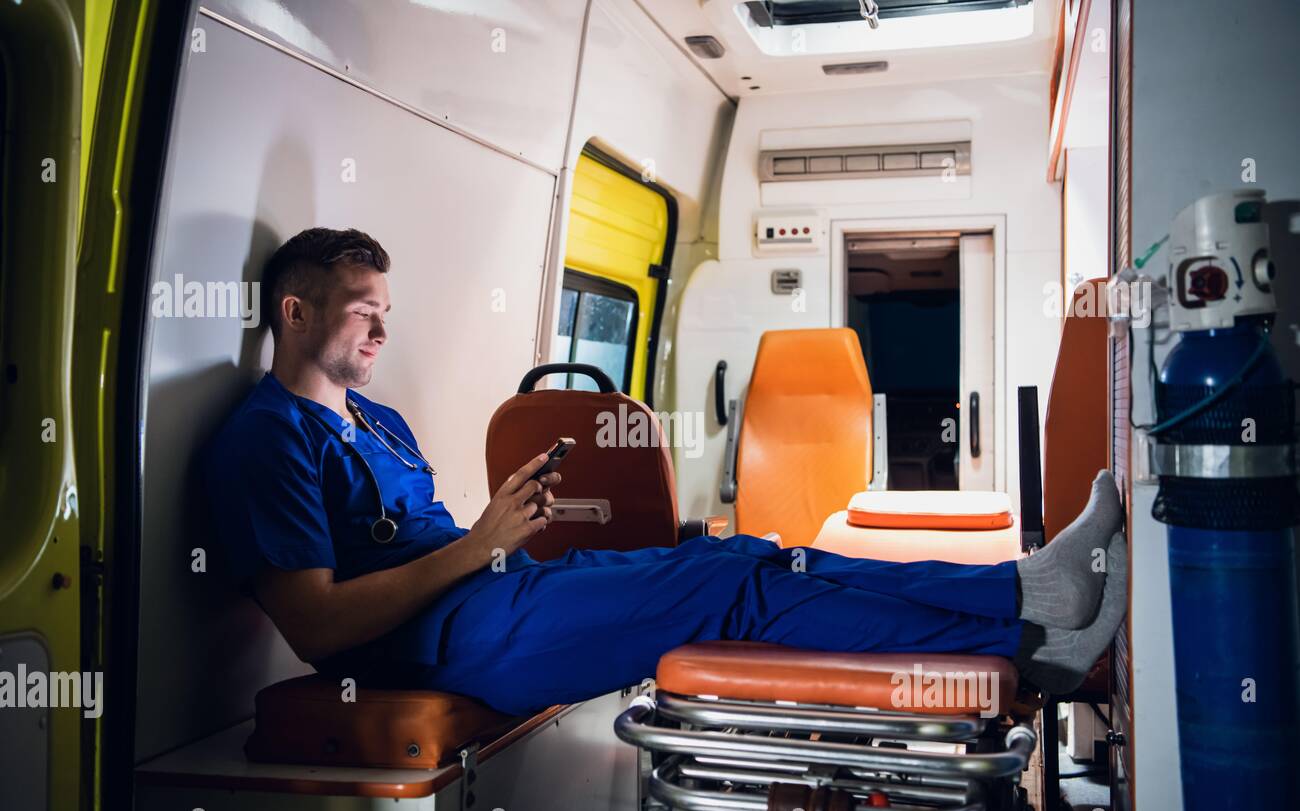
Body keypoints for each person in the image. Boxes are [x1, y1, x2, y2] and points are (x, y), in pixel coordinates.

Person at [203, 227, 1128, 716]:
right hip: (453, 648)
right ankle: (1022, 629)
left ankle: (1030, 611)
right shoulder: (267, 438)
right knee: (731, 593)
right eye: (364, 311)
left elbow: (436, 546)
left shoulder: (381, 421)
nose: (382, 329)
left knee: (751, 558)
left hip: (504, 588)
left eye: (385, 311)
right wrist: (477, 545)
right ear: (293, 312)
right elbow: (319, 628)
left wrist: (497, 537)